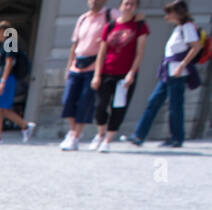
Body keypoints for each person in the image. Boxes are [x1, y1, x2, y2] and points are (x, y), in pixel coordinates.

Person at [131, 0, 201, 147]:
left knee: (174, 105)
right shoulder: (179, 28)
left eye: (169, 13)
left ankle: (176, 138)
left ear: (177, 13)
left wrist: (182, 65)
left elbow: (196, 47)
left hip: (176, 72)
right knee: (154, 102)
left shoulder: (187, 27)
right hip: (168, 71)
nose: (166, 16)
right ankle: (139, 135)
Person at [91, 0, 149, 150]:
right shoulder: (110, 26)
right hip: (106, 71)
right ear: (120, 6)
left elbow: (140, 53)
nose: (128, 7)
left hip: (125, 74)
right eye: (126, 3)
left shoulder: (140, 26)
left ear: (136, 8)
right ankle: (100, 133)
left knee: (118, 107)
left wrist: (132, 73)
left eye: (132, 4)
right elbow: (102, 52)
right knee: (100, 105)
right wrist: (96, 75)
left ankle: (108, 140)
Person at [60, 0, 111, 150]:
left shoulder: (109, 15)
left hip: (93, 65)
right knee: (67, 99)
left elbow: (127, 18)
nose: (94, 2)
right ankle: (72, 130)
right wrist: (69, 66)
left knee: (85, 102)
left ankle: (76, 136)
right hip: (77, 64)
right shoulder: (83, 18)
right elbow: (74, 44)